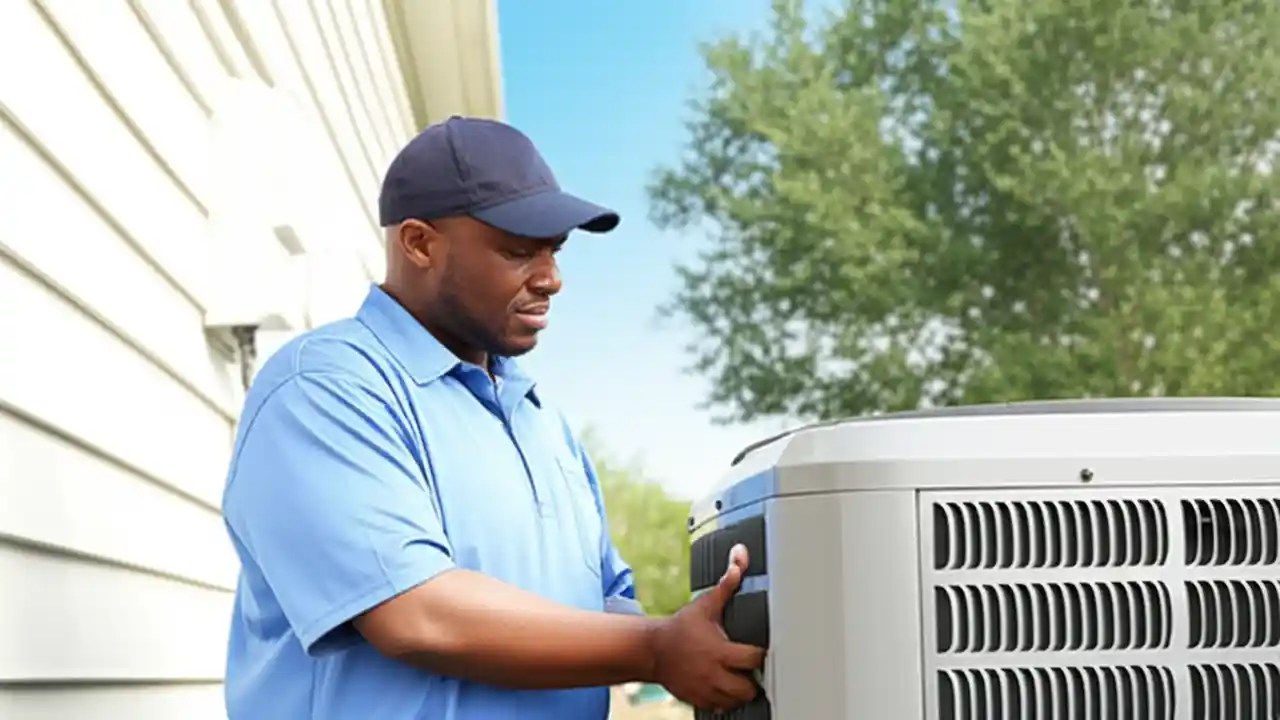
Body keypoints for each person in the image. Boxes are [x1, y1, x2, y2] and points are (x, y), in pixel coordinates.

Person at [219, 116, 766, 719]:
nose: (552, 278)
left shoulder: (543, 424)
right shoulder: (326, 388)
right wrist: (657, 649)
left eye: (555, 250)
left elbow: (602, 606)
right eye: (519, 250)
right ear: (419, 243)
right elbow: (415, 613)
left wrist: (708, 632)